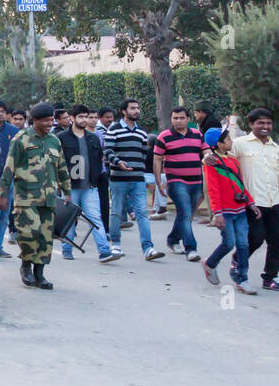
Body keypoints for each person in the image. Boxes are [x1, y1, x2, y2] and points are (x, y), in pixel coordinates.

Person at [0, 102, 70, 290]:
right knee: (30, 233)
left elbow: (61, 167)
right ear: (35, 121)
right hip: (26, 197)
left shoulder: (55, 140)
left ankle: (40, 274)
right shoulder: (21, 139)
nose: (49, 124)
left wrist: (68, 192)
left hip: (48, 197)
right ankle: (26, 266)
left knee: (46, 237)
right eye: (46, 121)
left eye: (51, 120)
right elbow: (9, 167)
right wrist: (3, 194)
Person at [57, 104, 122, 263]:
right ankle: (67, 249)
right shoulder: (61, 138)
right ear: (72, 118)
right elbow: (57, 162)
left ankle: (104, 251)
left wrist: (110, 167)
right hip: (70, 187)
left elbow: (101, 157)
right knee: (70, 219)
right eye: (81, 116)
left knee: (95, 218)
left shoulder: (94, 138)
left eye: (86, 116)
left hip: (90, 186)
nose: (84, 120)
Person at [225, 108, 279, 290]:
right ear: (251, 124)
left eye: (268, 123)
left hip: (275, 201)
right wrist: (208, 158)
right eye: (260, 123)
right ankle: (237, 260)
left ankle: (270, 277)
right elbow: (222, 159)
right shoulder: (240, 144)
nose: (265, 126)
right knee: (255, 238)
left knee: (276, 240)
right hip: (252, 202)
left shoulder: (275, 148)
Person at [200, 127, 259, 294]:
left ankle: (243, 278)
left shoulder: (233, 161)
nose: (231, 142)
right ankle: (210, 263)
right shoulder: (211, 163)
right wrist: (217, 213)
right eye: (228, 140)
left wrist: (251, 203)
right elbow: (213, 189)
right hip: (225, 212)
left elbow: (241, 184)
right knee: (229, 243)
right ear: (218, 144)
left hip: (240, 210)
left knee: (243, 244)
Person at [105, 98, 162, 260]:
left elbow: (144, 153)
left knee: (142, 213)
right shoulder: (114, 130)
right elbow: (108, 151)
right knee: (116, 213)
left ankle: (148, 248)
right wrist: (118, 162)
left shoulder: (142, 132)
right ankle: (115, 245)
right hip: (118, 179)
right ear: (124, 111)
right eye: (133, 108)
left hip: (138, 179)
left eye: (138, 108)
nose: (137, 111)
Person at [152, 105, 206, 260]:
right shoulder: (164, 136)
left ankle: (173, 239)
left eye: (182, 118)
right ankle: (191, 249)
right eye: (175, 118)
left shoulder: (197, 134)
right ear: (171, 119)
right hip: (176, 180)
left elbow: (205, 150)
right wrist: (158, 181)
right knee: (185, 212)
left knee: (185, 214)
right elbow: (156, 159)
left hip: (196, 180)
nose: (178, 121)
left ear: (188, 119)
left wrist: (208, 155)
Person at [0, 99, 19, 258]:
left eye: (2, 111)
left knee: (4, 214)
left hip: (7, 178)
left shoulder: (13, 131)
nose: (0, 113)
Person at [93, 106, 116, 233]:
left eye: (111, 117)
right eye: (107, 117)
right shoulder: (96, 132)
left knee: (105, 199)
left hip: (105, 168)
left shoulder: (114, 129)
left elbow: (104, 150)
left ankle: (105, 229)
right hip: (89, 172)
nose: (110, 119)